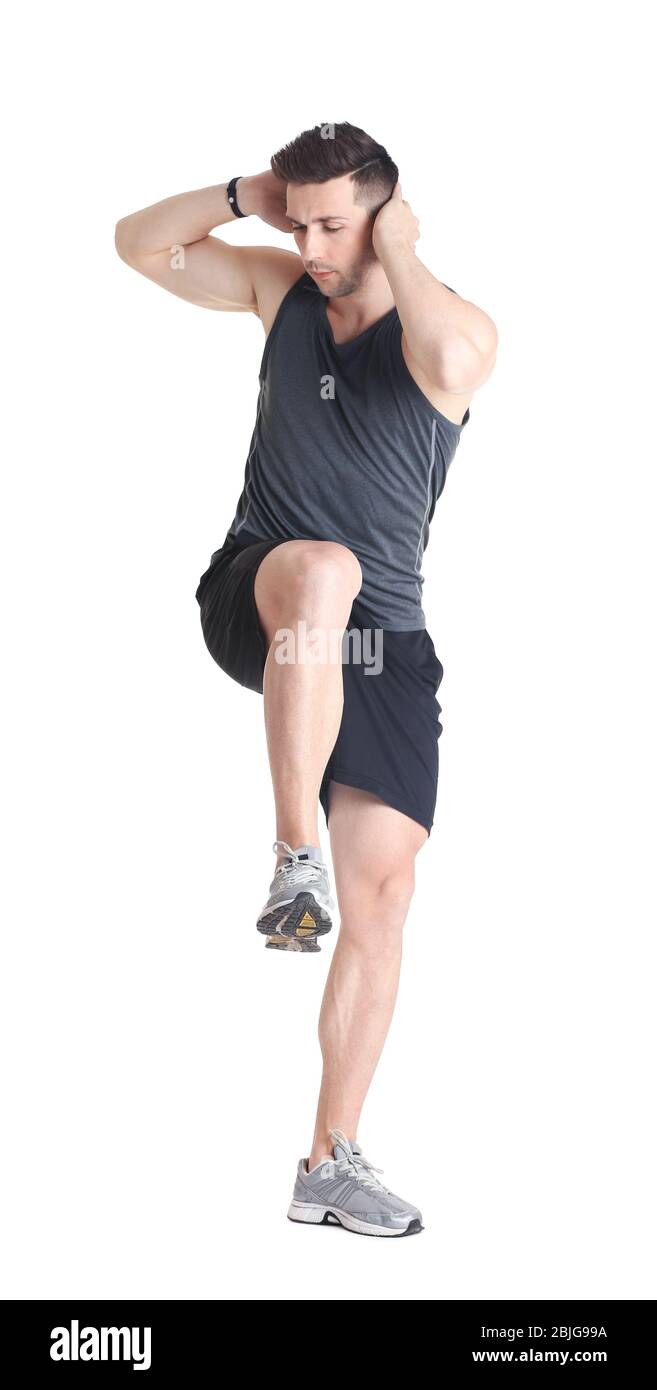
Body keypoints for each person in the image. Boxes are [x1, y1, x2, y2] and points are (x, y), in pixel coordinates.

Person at [115, 121, 497, 1237]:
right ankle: (293, 860)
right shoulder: (279, 290)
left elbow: (450, 363)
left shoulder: (451, 330)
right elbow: (136, 245)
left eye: (337, 223)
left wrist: (403, 251)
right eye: (304, 218)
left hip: (382, 644)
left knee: (384, 895)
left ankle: (329, 1160)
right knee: (324, 569)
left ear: (384, 215)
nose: (314, 242)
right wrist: (248, 192)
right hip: (265, 595)